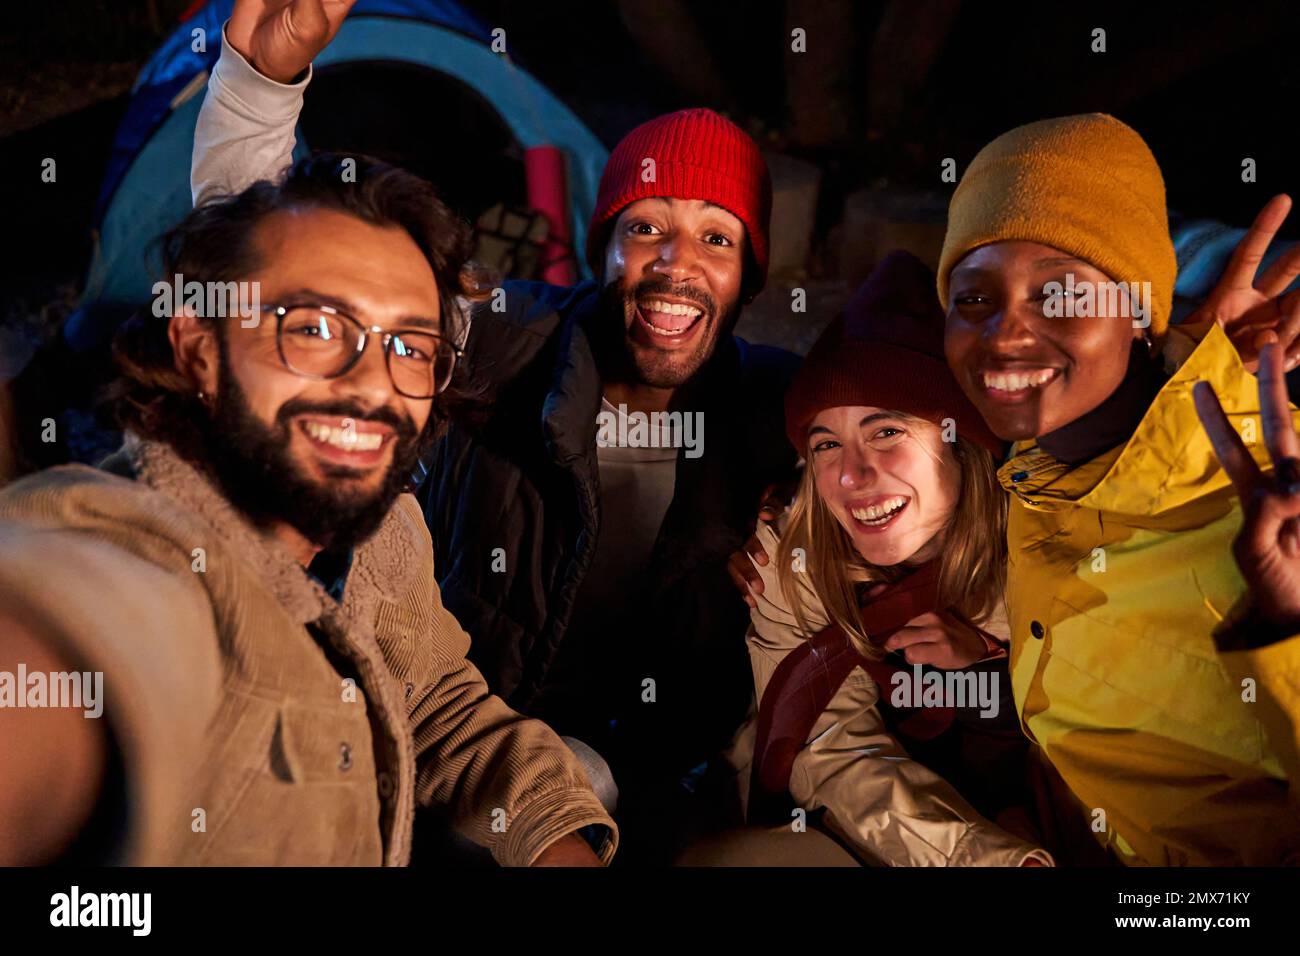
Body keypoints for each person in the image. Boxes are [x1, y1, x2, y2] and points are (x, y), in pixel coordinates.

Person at [192, 0, 800, 861]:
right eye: (645, 228)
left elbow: (918, 424)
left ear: (750, 276)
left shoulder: (778, 413)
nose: (675, 263)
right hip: (448, 755)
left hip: (647, 783)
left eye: (716, 237)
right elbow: (289, 284)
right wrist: (257, 91)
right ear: (604, 252)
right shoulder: (504, 339)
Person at [0, 154, 613, 866]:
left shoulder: (384, 527)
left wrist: (554, 834)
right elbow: (85, 632)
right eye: (316, 330)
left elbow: (436, 701)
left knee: (586, 773)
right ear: (199, 351)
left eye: (410, 346)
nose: (372, 386)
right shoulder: (134, 547)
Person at [691, 252, 1050, 866]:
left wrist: (990, 665)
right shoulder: (791, 563)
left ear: (958, 442)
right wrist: (992, 860)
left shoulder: (1044, 553)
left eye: (887, 432)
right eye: (826, 444)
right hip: (872, 830)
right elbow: (830, 749)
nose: (853, 475)